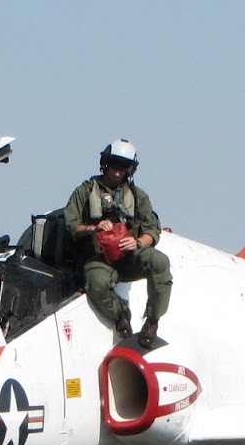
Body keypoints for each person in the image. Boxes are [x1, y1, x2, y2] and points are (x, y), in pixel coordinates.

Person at [64, 139, 171, 347]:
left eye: (123, 168)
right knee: (97, 284)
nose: (117, 172)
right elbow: (71, 225)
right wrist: (93, 228)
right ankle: (121, 314)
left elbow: (152, 229)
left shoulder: (137, 197)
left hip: (129, 257)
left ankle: (152, 322)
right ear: (105, 164)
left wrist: (138, 243)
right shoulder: (86, 191)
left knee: (160, 263)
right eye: (114, 166)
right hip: (100, 258)